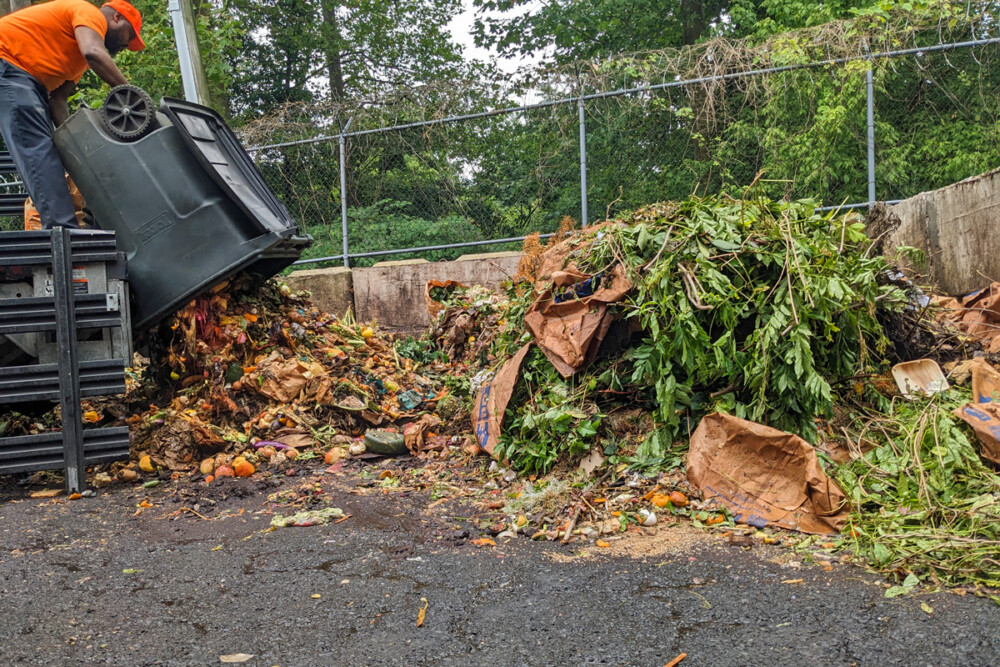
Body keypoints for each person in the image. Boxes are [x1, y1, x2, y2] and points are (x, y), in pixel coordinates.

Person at [0, 0, 144, 229]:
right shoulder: (88, 13)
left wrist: (76, 147)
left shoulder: (78, 55)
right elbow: (94, 52)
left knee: (51, 152)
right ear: (117, 18)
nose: (126, 45)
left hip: (27, 80)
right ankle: (65, 237)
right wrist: (134, 96)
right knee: (38, 152)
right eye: (130, 36)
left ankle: (66, 233)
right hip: (8, 64)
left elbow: (57, 100)